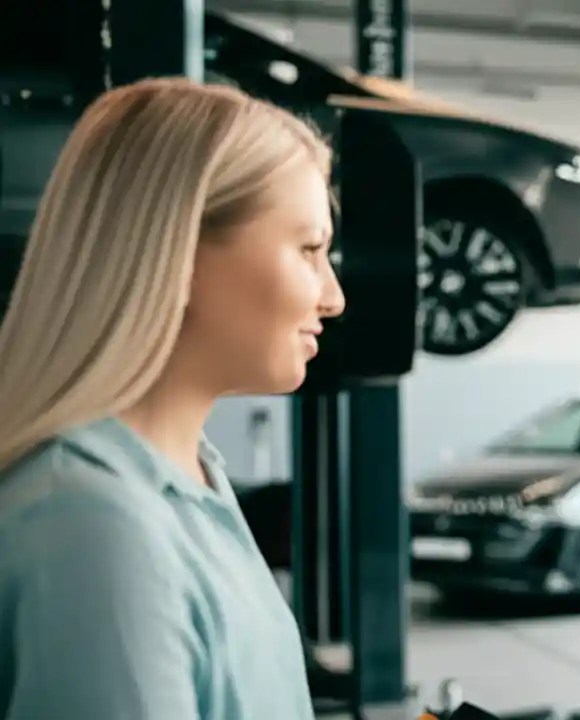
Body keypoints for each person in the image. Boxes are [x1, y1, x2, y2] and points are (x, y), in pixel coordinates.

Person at [0, 78, 344, 719]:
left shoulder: (186, 480)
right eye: (309, 250)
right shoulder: (94, 527)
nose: (333, 297)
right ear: (180, 251)